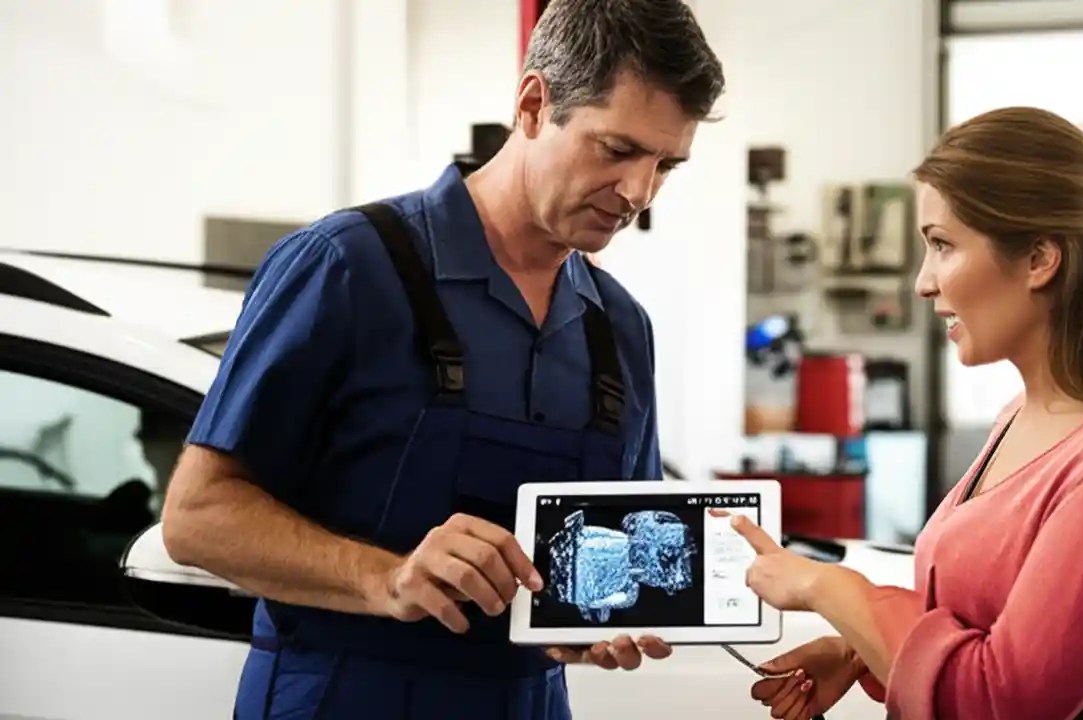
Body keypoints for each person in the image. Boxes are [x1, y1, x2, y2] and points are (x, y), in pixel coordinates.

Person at [159, 1, 725, 717]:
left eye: (665, 166)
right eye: (616, 150)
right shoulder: (346, 268)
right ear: (532, 103)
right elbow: (196, 517)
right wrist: (385, 579)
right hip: (340, 696)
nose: (639, 194)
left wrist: (595, 622)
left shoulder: (620, 330)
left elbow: (620, 546)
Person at [722, 106, 1083, 720]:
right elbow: (977, 619)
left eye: (942, 246)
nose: (923, 283)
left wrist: (826, 588)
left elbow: (1005, 700)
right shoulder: (1022, 414)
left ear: (1041, 259)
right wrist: (857, 650)